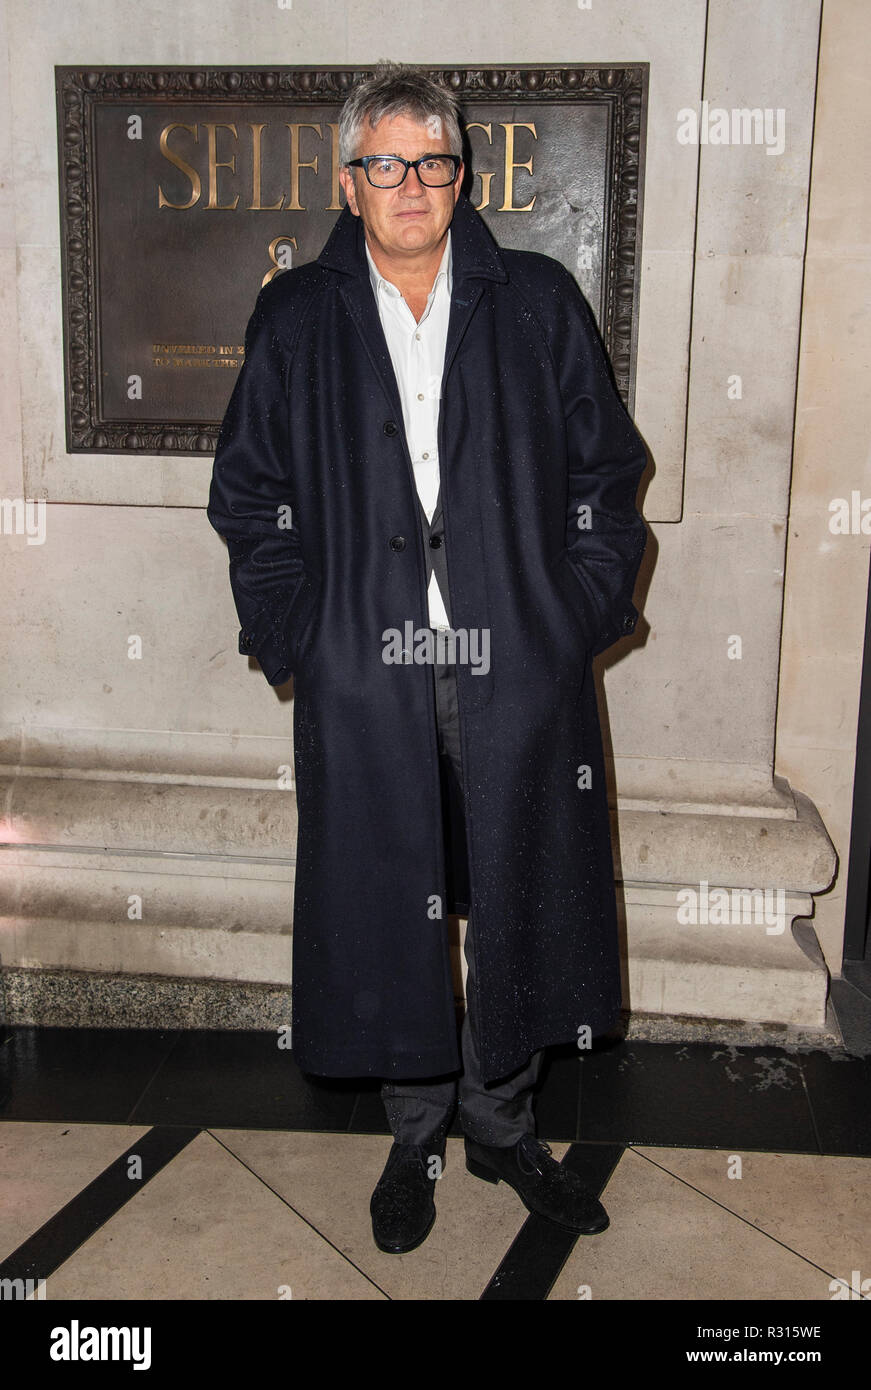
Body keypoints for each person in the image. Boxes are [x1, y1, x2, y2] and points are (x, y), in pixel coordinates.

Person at [207, 63, 648, 1255]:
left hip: (512, 663)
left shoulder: (536, 301)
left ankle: (503, 1127)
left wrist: (573, 616)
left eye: (434, 161)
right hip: (366, 671)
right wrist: (296, 633)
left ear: (462, 175)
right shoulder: (298, 316)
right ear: (348, 183)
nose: (412, 185)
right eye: (386, 163)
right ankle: (414, 1134)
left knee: (511, 890)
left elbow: (608, 482)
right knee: (391, 896)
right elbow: (250, 499)